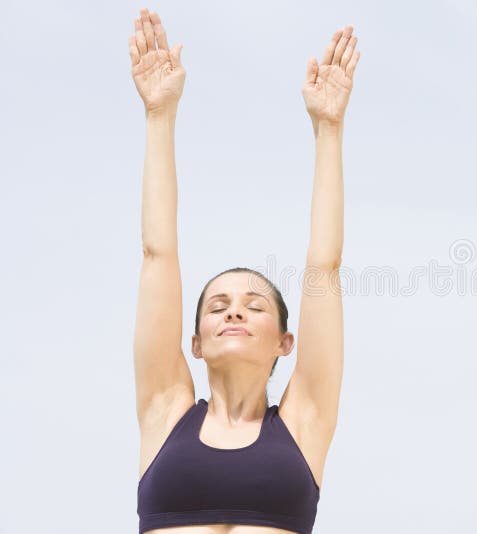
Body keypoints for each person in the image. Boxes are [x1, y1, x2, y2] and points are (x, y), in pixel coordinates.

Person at [128, 7, 360, 533]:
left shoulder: (304, 421)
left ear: (285, 341)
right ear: (195, 342)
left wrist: (329, 129)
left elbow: (324, 267)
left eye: (254, 307)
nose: (234, 312)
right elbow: (157, 254)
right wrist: (159, 117)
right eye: (218, 307)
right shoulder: (166, 410)